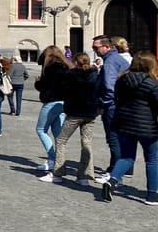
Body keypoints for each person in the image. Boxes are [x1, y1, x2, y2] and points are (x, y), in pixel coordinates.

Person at [101, 52, 158, 205]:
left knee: (127, 157)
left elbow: (117, 99)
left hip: (124, 123)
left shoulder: (122, 79)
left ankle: (111, 182)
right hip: (148, 126)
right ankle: (152, 194)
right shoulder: (151, 83)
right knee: (152, 159)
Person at [39, 53, 99, 186]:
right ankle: (84, 176)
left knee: (61, 140)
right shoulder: (95, 74)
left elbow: (65, 91)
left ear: (76, 62)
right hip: (90, 113)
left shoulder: (72, 75)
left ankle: (58, 173)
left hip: (75, 112)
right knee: (86, 143)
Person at [92, 35, 132, 183]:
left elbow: (109, 87)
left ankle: (115, 173)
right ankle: (118, 169)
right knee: (120, 138)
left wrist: (103, 104)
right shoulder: (120, 59)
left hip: (112, 106)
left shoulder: (110, 62)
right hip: (123, 104)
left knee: (113, 138)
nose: (94, 50)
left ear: (107, 47)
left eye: (96, 47)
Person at [34, 45, 72, 171]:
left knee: (41, 129)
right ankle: (60, 160)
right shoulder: (66, 66)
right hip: (63, 102)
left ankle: (52, 158)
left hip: (51, 101)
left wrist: (38, 83)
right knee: (57, 133)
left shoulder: (50, 68)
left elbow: (46, 87)